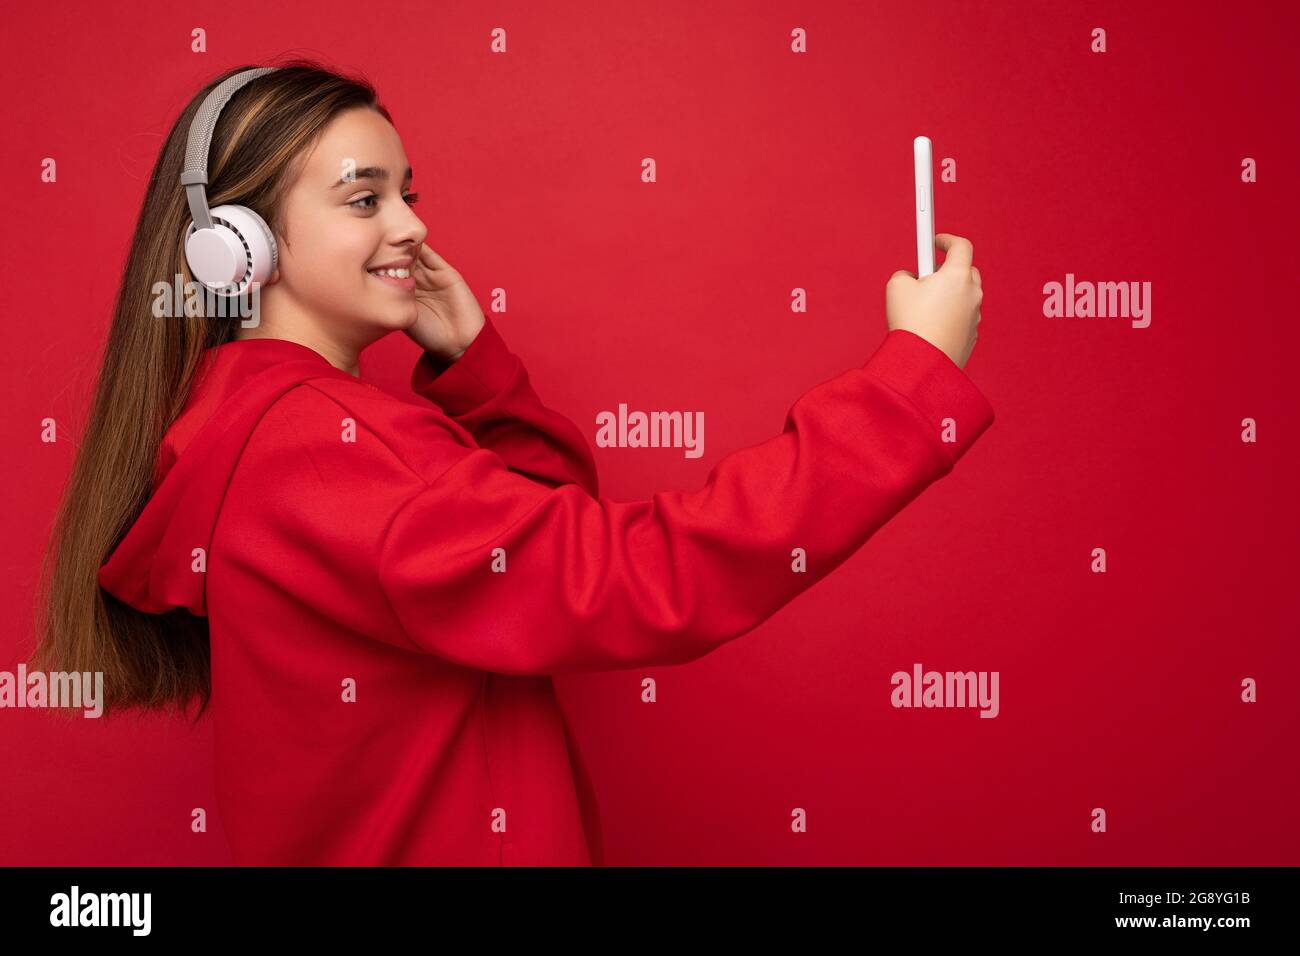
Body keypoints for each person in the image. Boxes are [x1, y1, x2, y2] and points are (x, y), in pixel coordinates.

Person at [34, 59, 991, 866]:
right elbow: (630, 581)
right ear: (231, 246)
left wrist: (479, 375)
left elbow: (519, 590)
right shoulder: (329, 448)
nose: (409, 224)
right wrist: (909, 386)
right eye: (365, 199)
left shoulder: (256, 432)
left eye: (408, 194)